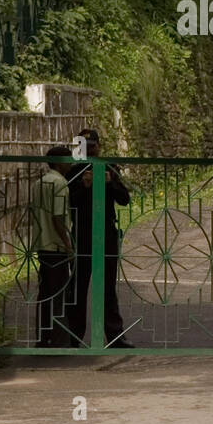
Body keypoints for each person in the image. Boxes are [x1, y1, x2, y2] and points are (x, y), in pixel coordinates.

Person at [66, 128, 134, 348]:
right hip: (83, 235)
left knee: (107, 288)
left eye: (92, 146)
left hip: (106, 234)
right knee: (78, 286)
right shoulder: (74, 172)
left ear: (99, 147)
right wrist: (86, 187)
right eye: (84, 147)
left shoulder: (110, 169)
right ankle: (73, 335)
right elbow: (70, 203)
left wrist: (109, 183)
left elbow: (124, 199)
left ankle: (114, 336)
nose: (89, 151)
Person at [31, 145, 74, 348]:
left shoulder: (39, 183)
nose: (72, 163)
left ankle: (43, 336)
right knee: (58, 294)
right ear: (59, 162)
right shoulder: (60, 184)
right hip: (56, 246)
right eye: (68, 160)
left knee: (45, 293)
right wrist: (68, 244)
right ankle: (58, 339)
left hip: (42, 242)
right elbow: (58, 217)